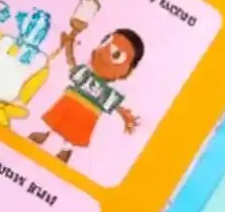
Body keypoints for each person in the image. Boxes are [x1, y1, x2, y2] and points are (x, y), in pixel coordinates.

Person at [28, 27, 143, 164]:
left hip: (88, 113)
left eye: (116, 54)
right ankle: (46, 134)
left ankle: (66, 149)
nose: (103, 54)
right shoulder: (85, 72)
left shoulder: (107, 91)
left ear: (127, 71)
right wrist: (69, 44)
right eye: (105, 43)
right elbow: (71, 62)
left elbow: (115, 105)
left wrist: (126, 117)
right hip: (70, 101)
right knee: (58, 118)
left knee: (74, 132)